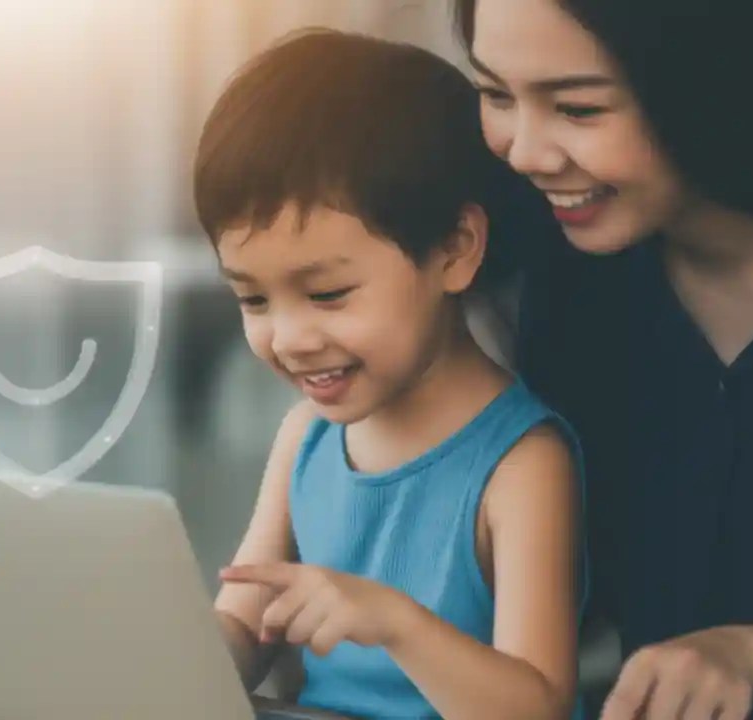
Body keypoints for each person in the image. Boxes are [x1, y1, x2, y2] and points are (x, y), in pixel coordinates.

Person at [452, 0, 753, 718]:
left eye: (578, 108)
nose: (526, 152)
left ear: (716, 80)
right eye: (495, 94)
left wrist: (751, 655)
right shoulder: (556, 263)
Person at [192, 29, 587, 720]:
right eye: (253, 299)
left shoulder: (523, 464)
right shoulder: (305, 439)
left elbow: (538, 707)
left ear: (455, 251)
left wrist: (396, 624)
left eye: (328, 295)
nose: (288, 338)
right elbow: (241, 629)